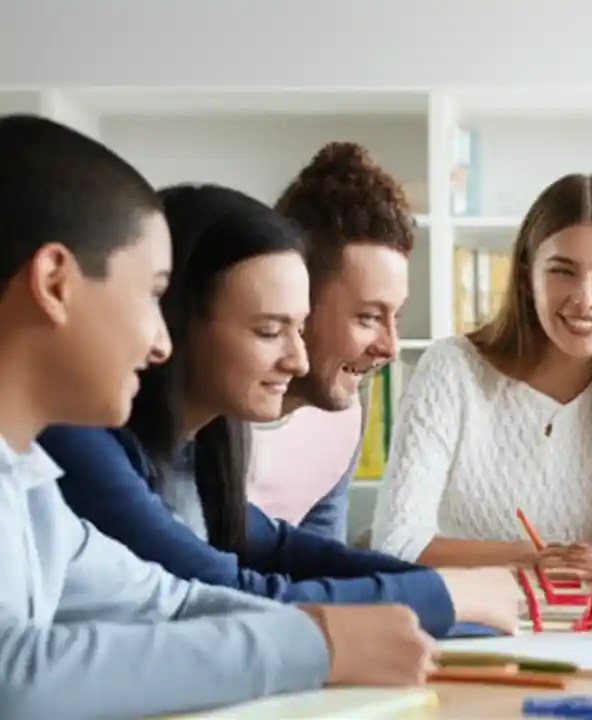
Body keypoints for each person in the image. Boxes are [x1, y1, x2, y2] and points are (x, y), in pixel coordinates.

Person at [0, 115, 432, 718]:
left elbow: (169, 601)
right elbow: (15, 676)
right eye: (152, 295)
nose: (160, 342)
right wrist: (319, 643)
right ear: (55, 282)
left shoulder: (30, 485)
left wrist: (361, 625)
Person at [39, 183, 518, 639]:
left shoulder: (203, 447)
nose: (300, 360)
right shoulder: (77, 442)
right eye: (269, 331)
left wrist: (462, 590)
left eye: (300, 328)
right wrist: (444, 594)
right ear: (176, 321)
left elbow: (286, 551)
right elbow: (231, 598)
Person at [371, 173, 592, 579]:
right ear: (527, 279)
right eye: (562, 271)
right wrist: (538, 558)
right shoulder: (453, 369)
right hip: (470, 623)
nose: (584, 298)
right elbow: (396, 542)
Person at [246, 141, 417, 544]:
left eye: (397, 317)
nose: (390, 347)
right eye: (370, 317)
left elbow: (322, 560)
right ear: (294, 300)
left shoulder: (344, 411)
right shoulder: (206, 414)